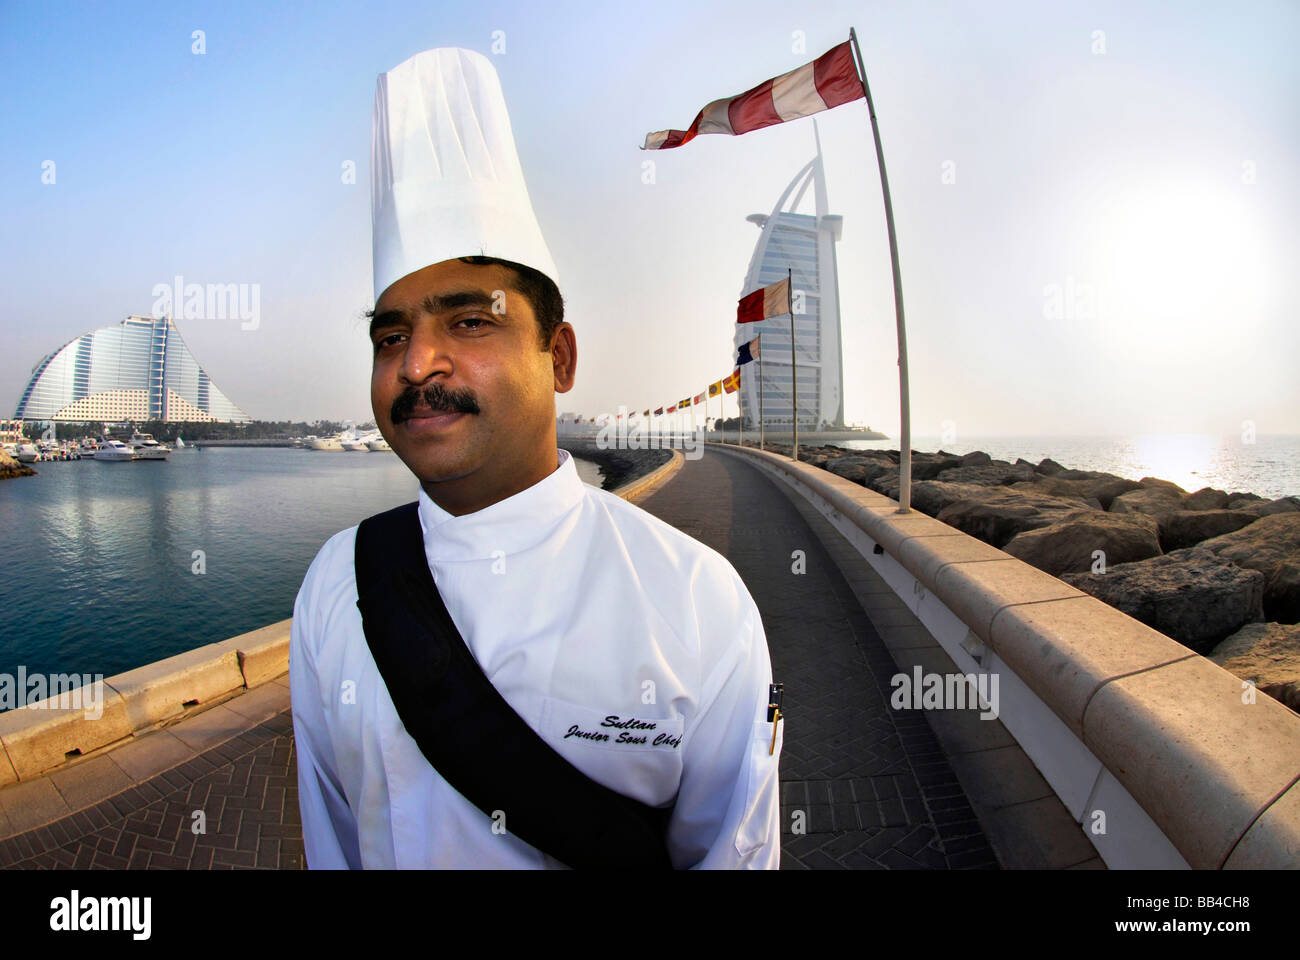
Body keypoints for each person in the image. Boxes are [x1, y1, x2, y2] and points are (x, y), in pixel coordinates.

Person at [289, 46, 782, 869]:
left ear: (559, 358)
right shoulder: (337, 585)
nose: (416, 366)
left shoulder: (699, 604)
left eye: (470, 322)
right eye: (390, 336)